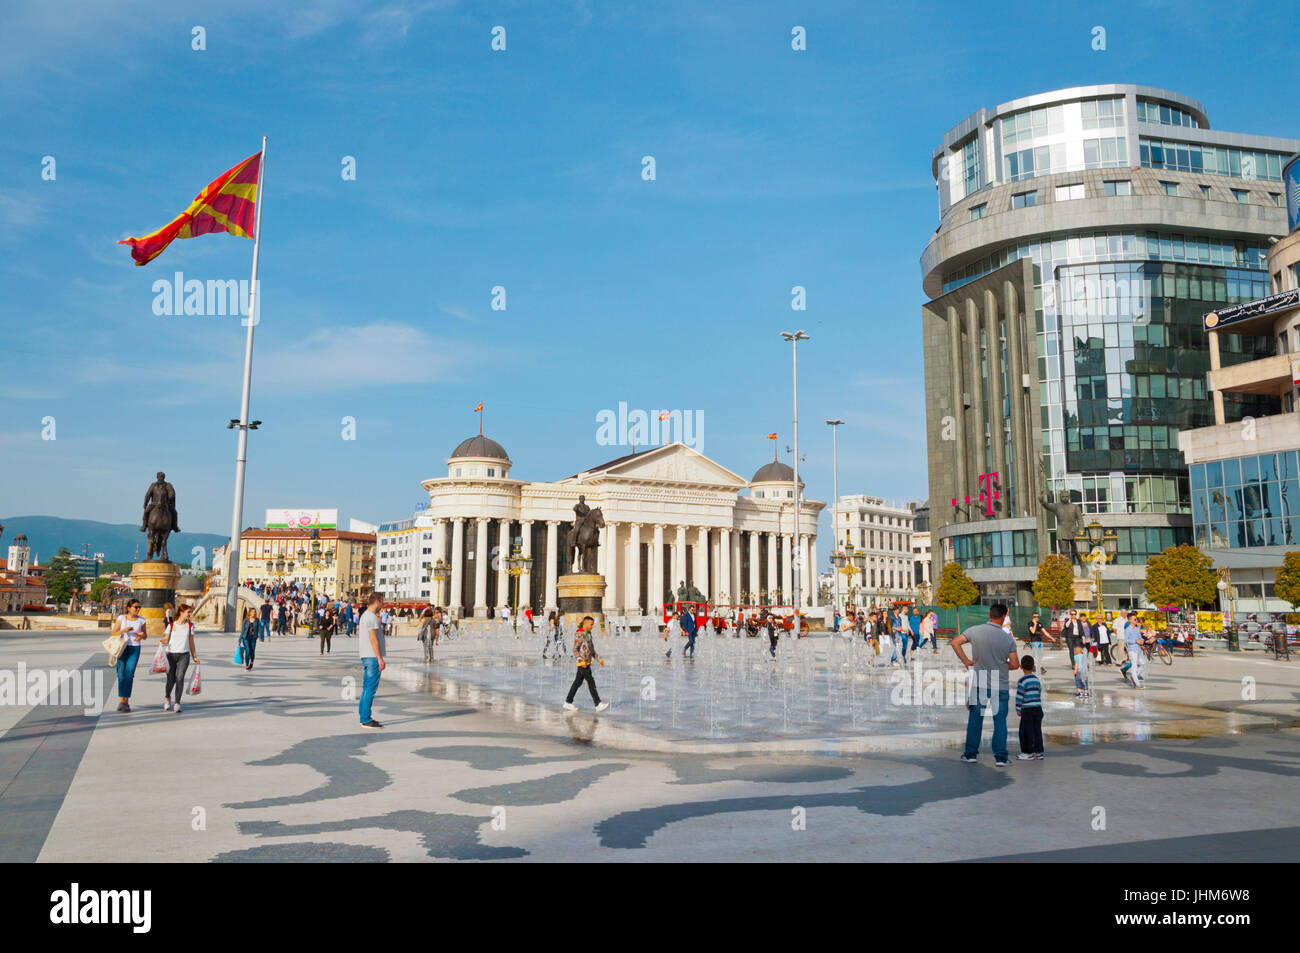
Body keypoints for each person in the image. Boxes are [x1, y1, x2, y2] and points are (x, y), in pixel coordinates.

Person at [950, 603, 1021, 766]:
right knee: (1000, 722)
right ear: (1004, 617)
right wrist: (1005, 665)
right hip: (1000, 684)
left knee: (975, 719)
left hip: (979, 682)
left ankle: (970, 754)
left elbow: (955, 642)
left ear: (989, 615)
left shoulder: (975, 630)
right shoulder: (1007, 638)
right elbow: (1015, 664)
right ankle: (1001, 757)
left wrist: (966, 661)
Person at [563, 615, 609, 711]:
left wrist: (599, 659)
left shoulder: (588, 634)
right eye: (591, 624)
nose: (592, 626)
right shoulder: (579, 634)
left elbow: (591, 650)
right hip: (582, 663)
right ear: (586, 623)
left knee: (577, 682)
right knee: (591, 682)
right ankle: (598, 704)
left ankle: (568, 702)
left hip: (587, 663)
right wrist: (581, 660)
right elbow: (575, 649)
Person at [110, 598, 148, 712]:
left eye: (139, 607)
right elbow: (113, 633)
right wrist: (124, 630)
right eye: (135, 607)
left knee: (129, 674)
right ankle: (122, 699)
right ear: (128, 608)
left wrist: (142, 635)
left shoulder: (141, 620)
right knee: (121, 674)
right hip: (122, 647)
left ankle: (125, 702)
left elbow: (146, 635)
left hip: (135, 648)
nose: (137, 609)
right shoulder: (121, 618)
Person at [161, 603, 200, 713]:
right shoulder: (172, 625)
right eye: (188, 612)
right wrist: (161, 642)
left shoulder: (190, 626)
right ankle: (167, 697)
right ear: (181, 612)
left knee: (180, 677)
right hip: (170, 655)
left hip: (184, 655)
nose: (190, 614)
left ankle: (177, 703)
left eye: (190, 612)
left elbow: (191, 642)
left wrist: (195, 657)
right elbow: (166, 639)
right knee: (171, 680)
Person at [358, 592, 386, 728]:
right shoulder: (372, 617)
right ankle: (366, 718)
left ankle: (363, 715)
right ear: (377, 601)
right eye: (382, 601)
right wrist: (379, 658)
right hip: (372, 657)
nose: (383, 604)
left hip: (366, 655)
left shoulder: (365, 615)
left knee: (366, 688)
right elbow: (373, 639)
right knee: (370, 689)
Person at [1014, 654, 1044, 760]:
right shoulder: (1036, 679)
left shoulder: (1022, 681)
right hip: (1037, 708)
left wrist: (1018, 708)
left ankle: (1027, 752)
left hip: (1027, 709)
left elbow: (1019, 696)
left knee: (1026, 731)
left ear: (1021, 667)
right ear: (1033, 667)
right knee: (1037, 730)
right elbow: (1039, 691)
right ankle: (1038, 751)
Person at [240, 606, 259, 671]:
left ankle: (252, 662)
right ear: (250, 613)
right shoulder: (246, 620)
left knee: (252, 652)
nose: (254, 613)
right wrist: (240, 638)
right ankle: (247, 665)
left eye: (255, 612)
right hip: (246, 637)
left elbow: (259, 629)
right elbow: (243, 630)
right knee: (247, 651)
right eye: (253, 612)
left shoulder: (257, 620)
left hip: (253, 638)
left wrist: (259, 636)